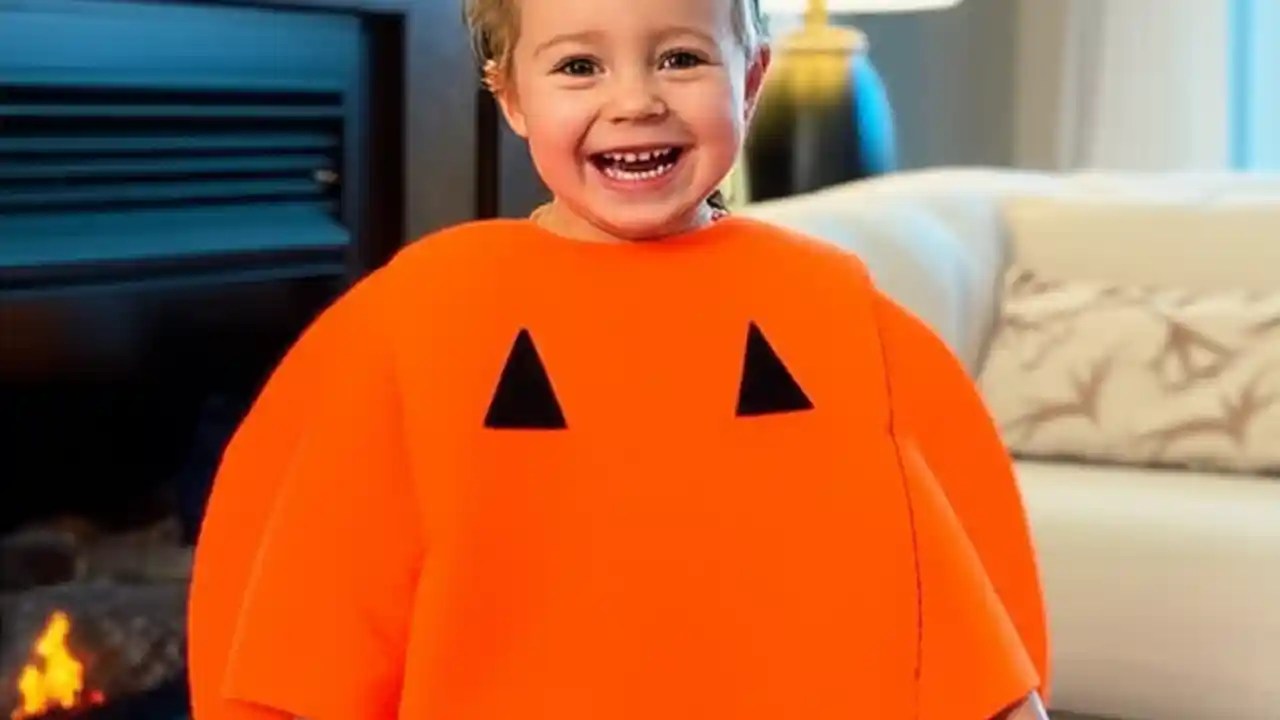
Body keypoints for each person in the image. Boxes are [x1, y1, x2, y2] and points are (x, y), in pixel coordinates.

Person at [186, 0, 1051, 717]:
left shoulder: (826, 312)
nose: (635, 101)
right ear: (511, 95)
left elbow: (952, 615)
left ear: (750, 81)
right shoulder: (424, 316)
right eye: (578, 68)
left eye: (679, 59)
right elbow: (316, 607)